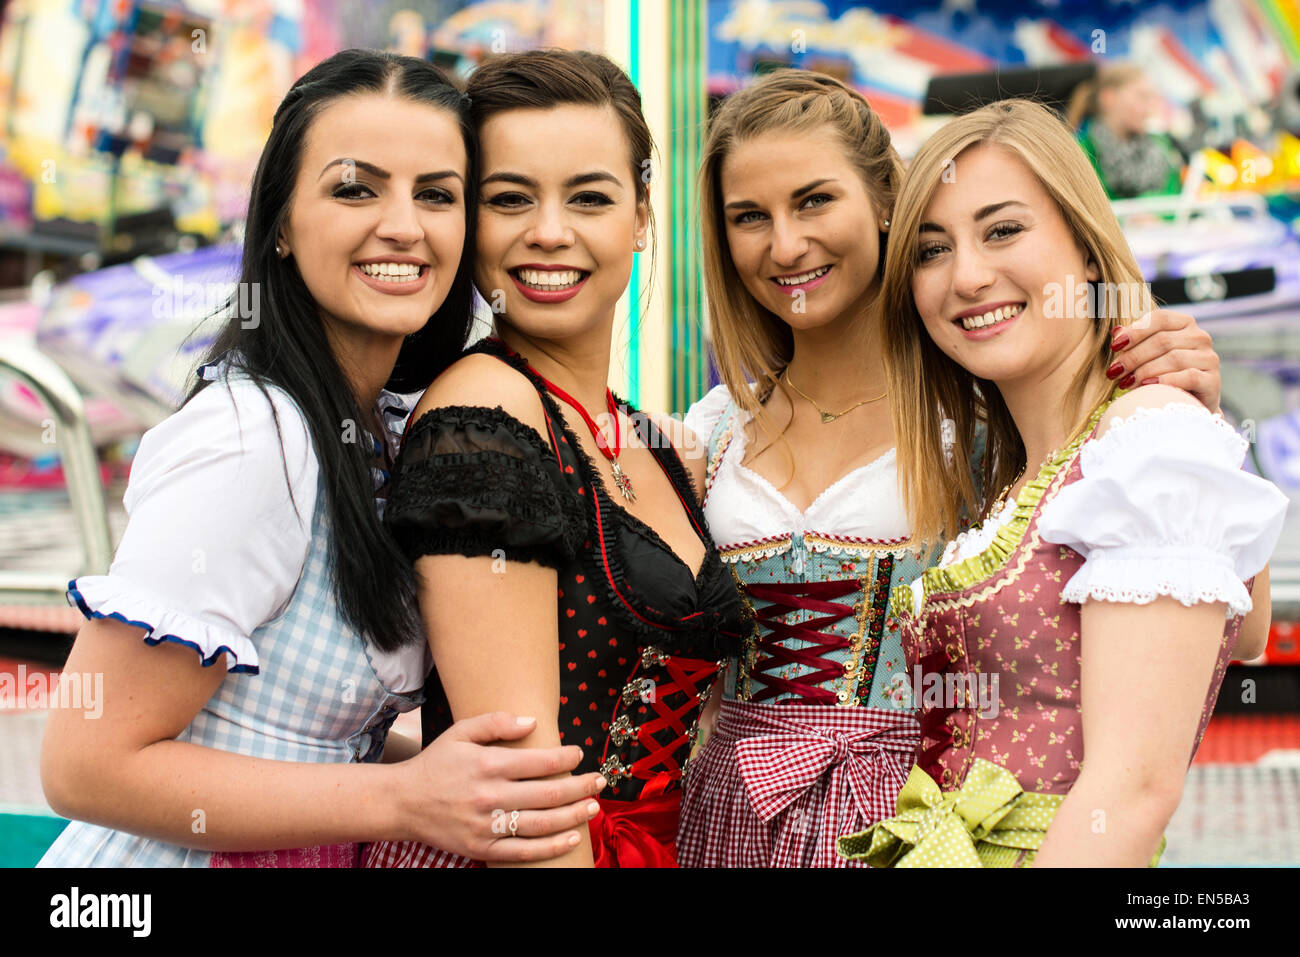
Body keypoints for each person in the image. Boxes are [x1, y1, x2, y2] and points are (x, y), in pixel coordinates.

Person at [38, 49, 604, 868]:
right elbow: (84, 765)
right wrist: (406, 800)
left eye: (437, 194)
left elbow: (300, 740)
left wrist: (469, 784)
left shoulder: (385, 429)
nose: (404, 225)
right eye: (354, 188)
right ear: (279, 225)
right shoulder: (250, 438)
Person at [677, 69, 1230, 868]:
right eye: (748, 217)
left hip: (920, 814)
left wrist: (1186, 411)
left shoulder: (986, 418)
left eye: (815, 201)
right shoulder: (709, 432)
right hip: (727, 812)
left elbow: (1224, 626)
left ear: (884, 208)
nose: (786, 244)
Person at [837, 98, 1285, 868]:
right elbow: (1241, 629)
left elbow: (1131, 791)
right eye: (932, 249)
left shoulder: (1149, 437)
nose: (969, 275)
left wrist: (1186, 428)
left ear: (1085, 247)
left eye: (1003, 229)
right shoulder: (1023, 470)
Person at [362, 49, 747, 869]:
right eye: (510, 199)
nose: (549, 231)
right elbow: (520, 805)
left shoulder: (646, 437)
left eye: (589, 197)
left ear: (641, 215)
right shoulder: (483, 415)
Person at [1068, 64, 1184, 200]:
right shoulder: (1079, 152)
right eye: (1142, 96)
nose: (1150, 106)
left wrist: (1155, 217)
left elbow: (1174, 199)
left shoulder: (1162, 145)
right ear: (1108, 98)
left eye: (1152, 97)